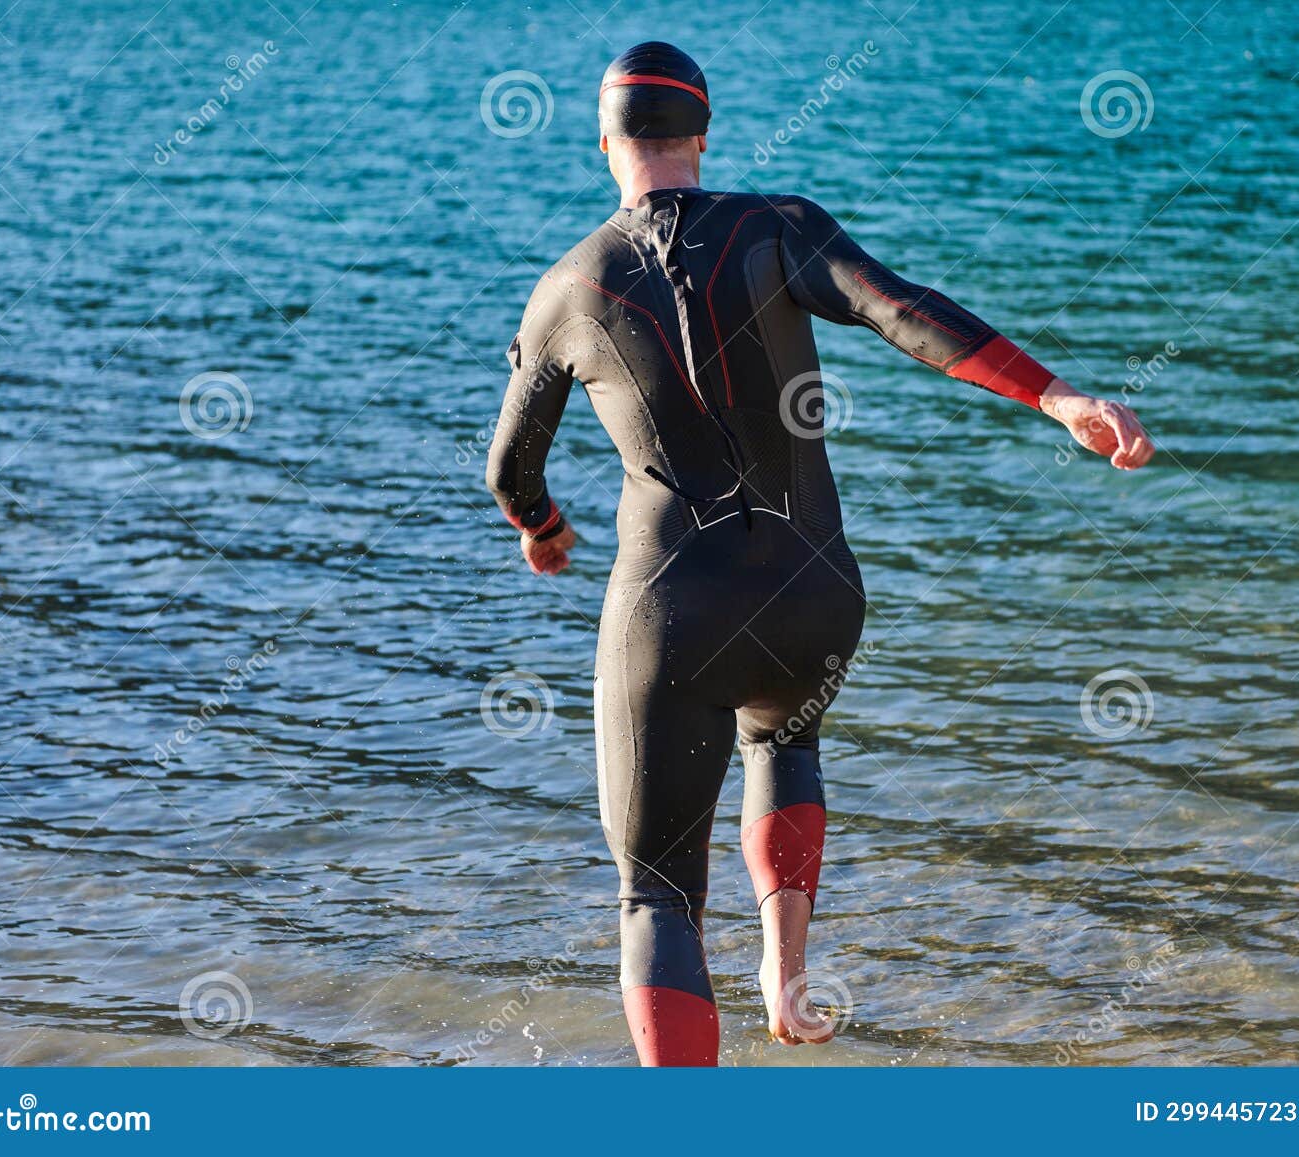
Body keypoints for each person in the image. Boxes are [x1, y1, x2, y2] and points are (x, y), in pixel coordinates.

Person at [486, 41, 1154, 1067]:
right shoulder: (777, 224)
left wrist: (542, 529)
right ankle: (787, 976)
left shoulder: (568, 287)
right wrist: (1056, 396)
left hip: (674, 615)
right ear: (701, 136)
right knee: (781, 740)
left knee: (657, 888)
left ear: (604, 142)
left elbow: (508, 468)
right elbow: (901, 309)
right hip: (815, 599)